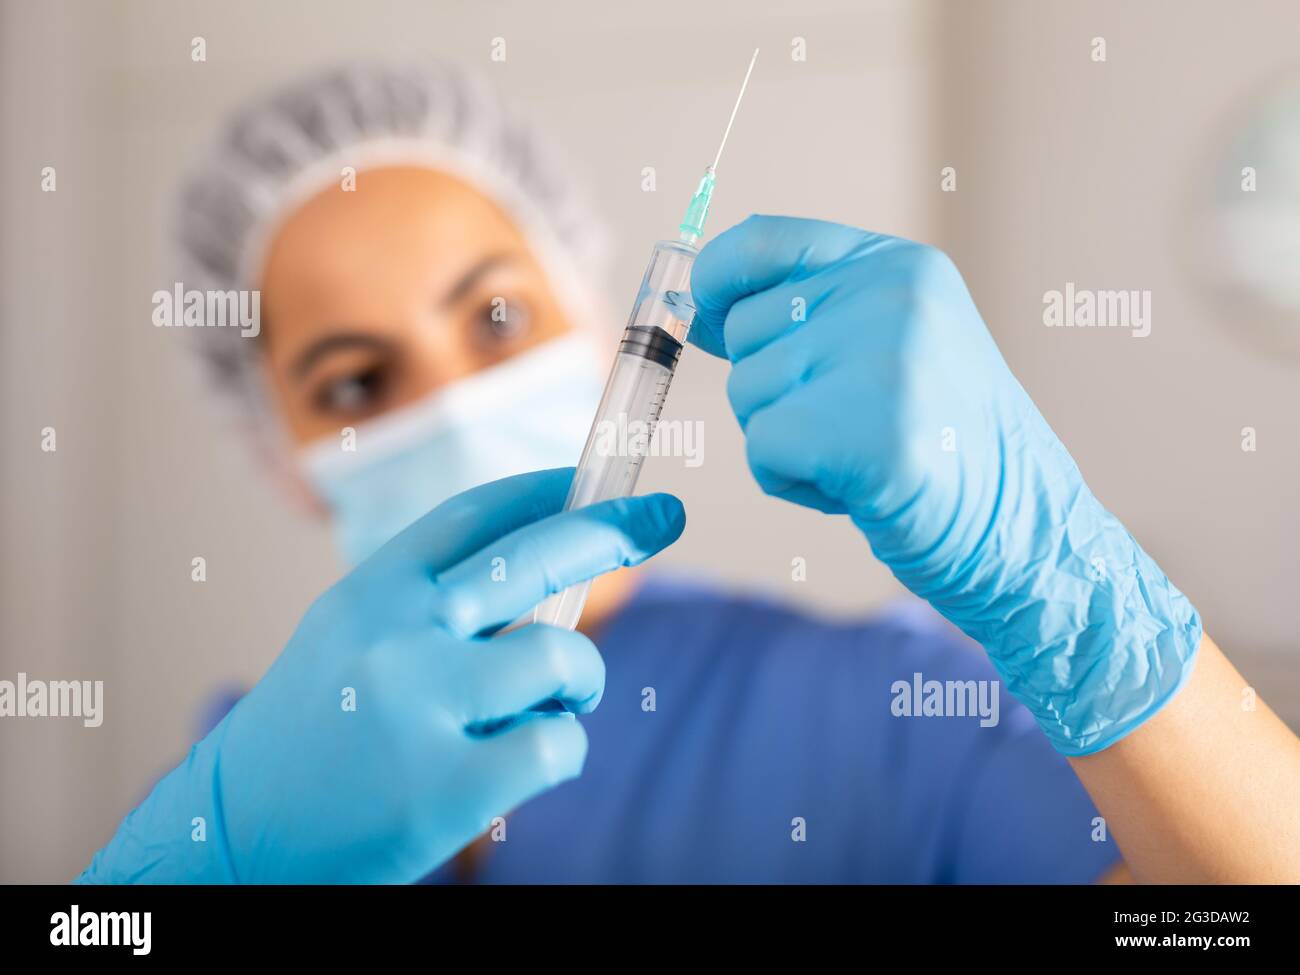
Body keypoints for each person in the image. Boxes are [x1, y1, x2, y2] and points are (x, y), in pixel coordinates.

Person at [77, 62, 1300, 884]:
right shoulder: (253, 764)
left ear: (597, 315)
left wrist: (1065, 585)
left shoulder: (877, 712)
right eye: (354, 383)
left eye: (496, 319)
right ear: (277, 451)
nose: (448, 395)